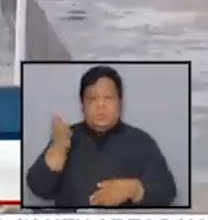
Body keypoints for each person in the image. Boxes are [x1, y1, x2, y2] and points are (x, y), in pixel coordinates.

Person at [26, 65, 177, 208]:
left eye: (108, 98)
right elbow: (39, 188)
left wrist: (135, 190)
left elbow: (167, 191)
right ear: (82, 105)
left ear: (120, 103)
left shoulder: (142, 142)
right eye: (92, 99)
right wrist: (58, 151)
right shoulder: (65, 138)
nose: (100, 105)